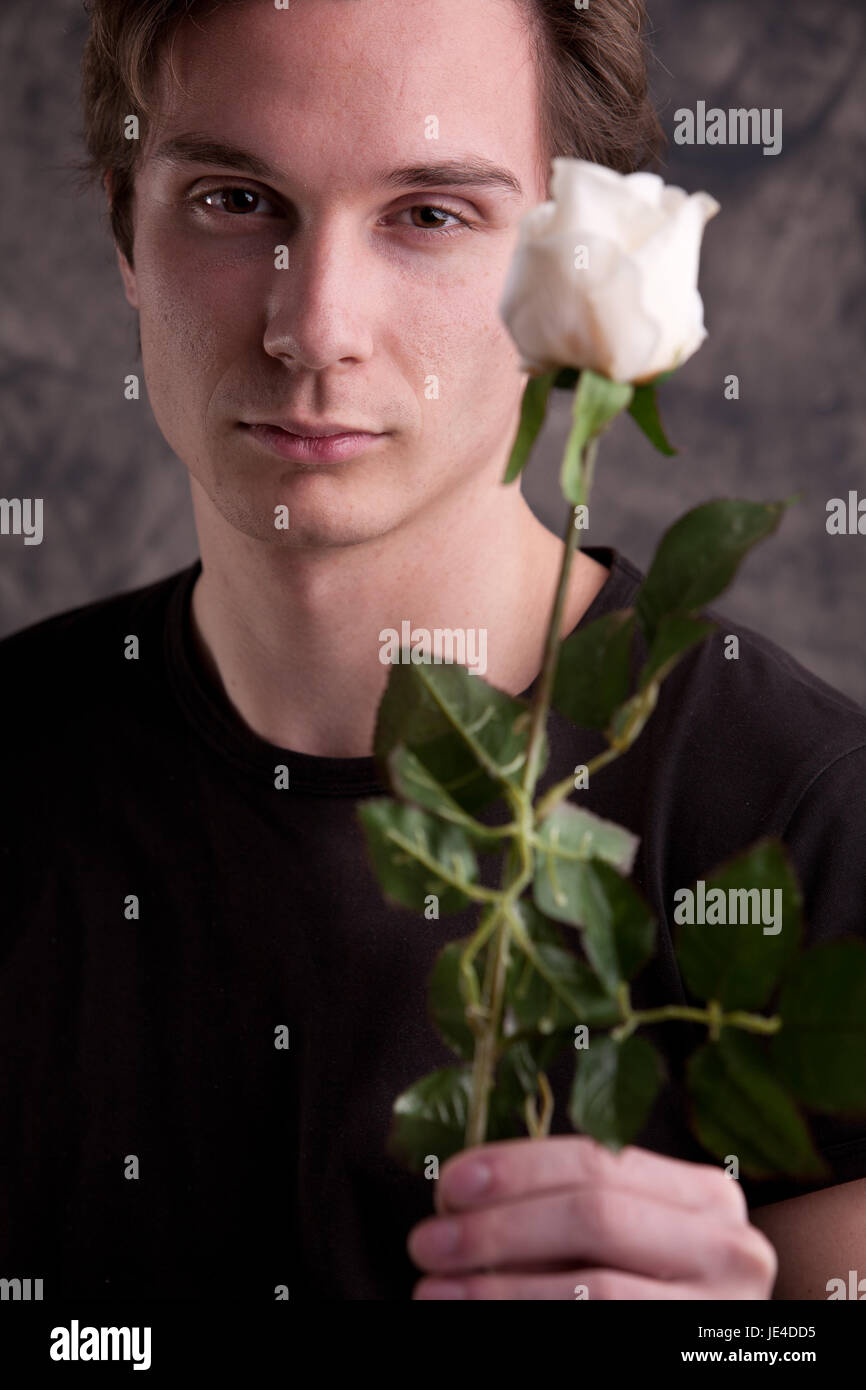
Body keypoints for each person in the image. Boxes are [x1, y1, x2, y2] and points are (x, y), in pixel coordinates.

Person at [1, 0, 864, 1302]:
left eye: (429, 214)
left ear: (564, 255)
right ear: (128, 223)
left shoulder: (803, 819)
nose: (314, 327)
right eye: (237, 200)